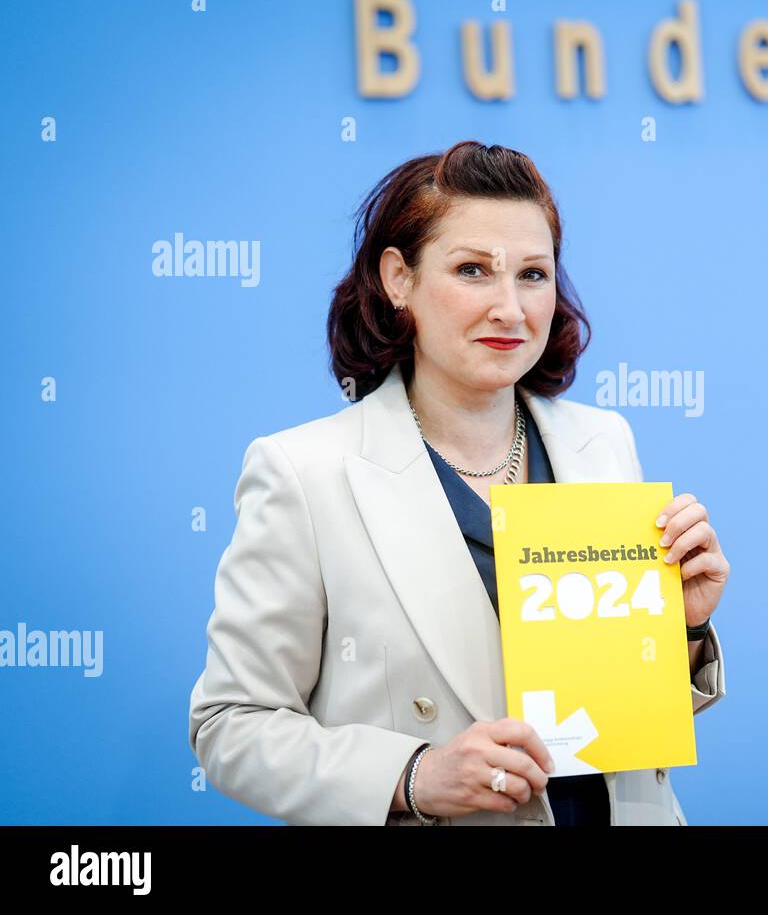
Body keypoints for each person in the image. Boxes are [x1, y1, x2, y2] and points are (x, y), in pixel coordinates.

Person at [187, 141, 730, 825]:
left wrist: (681, 628)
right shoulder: (303, 473)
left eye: (533, 274)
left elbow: (620, 715)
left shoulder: (603, 441)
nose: (510, 307)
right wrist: (413, 775)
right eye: (473, 270)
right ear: (398, 279)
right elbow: (231, 726)